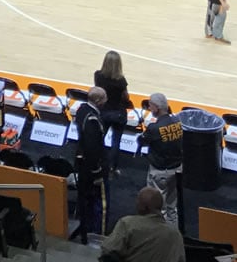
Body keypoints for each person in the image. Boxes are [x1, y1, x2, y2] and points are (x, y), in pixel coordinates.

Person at [100, 186, 185, 262]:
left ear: (144, 207)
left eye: (138, 201)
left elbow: (108, 252)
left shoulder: (128, 224)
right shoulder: (176, 235)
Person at [93, 50, 133, 198]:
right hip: (118, 113)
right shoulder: (121, 81)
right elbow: (126, 97)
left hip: (103, 112)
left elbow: (98, 91)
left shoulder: (98, 75)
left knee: (100, 139)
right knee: (116, 142)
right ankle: (111, 169)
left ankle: (97, 163)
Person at [141, 94, 184, 226]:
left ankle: (160, 234)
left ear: (156, 108)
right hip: (177, 170)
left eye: (150, 106)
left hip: (160, 172)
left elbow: (142, 141)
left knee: (158, 208)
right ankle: (174, 232)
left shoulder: (154, 128)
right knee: (172, 207)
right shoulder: (178, 122)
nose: (149, 108)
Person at [73, 87, 108, 242]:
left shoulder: (82, 109)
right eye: (105, 98)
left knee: (83, 198)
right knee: (99, 202)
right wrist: (97, 171)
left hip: (81, 162)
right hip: (91, 166)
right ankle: (97, 235)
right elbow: (92, 147)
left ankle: (83, 229)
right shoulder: (92, 119)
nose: (106, 101)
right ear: (98, 101)